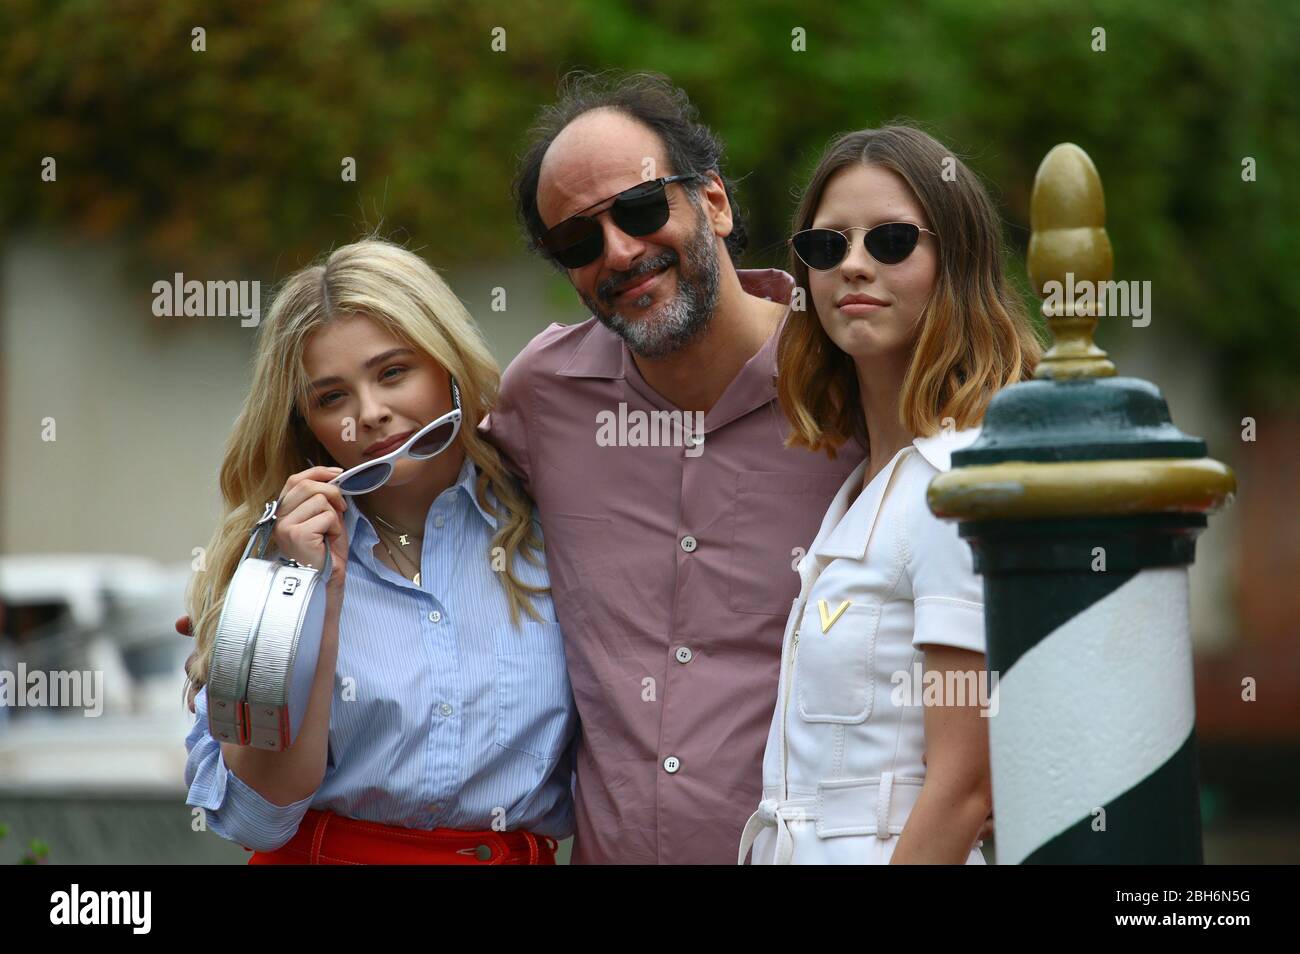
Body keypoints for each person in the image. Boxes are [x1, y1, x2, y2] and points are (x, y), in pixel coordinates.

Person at [478, 71, 864, 863]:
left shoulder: (855, 382)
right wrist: (261, 588)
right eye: (578, 242)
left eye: (642, 206)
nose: (619, 250)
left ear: (714, 203)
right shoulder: (542, 398)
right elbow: (422, 507)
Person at [182, 238, 576, 864]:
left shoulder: (557, 526)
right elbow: (259, 816)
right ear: (301, 423)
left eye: (393, 372)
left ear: (449, 365)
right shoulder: (269, 563)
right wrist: (310, 597)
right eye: (330, 397)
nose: (368, 414)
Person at [740, 125, 1042, 864]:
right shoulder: (865, 483)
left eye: (892, 242)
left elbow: (967, 788)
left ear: (957, 263)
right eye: (826, 246)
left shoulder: (959, 482)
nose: (853, 266)